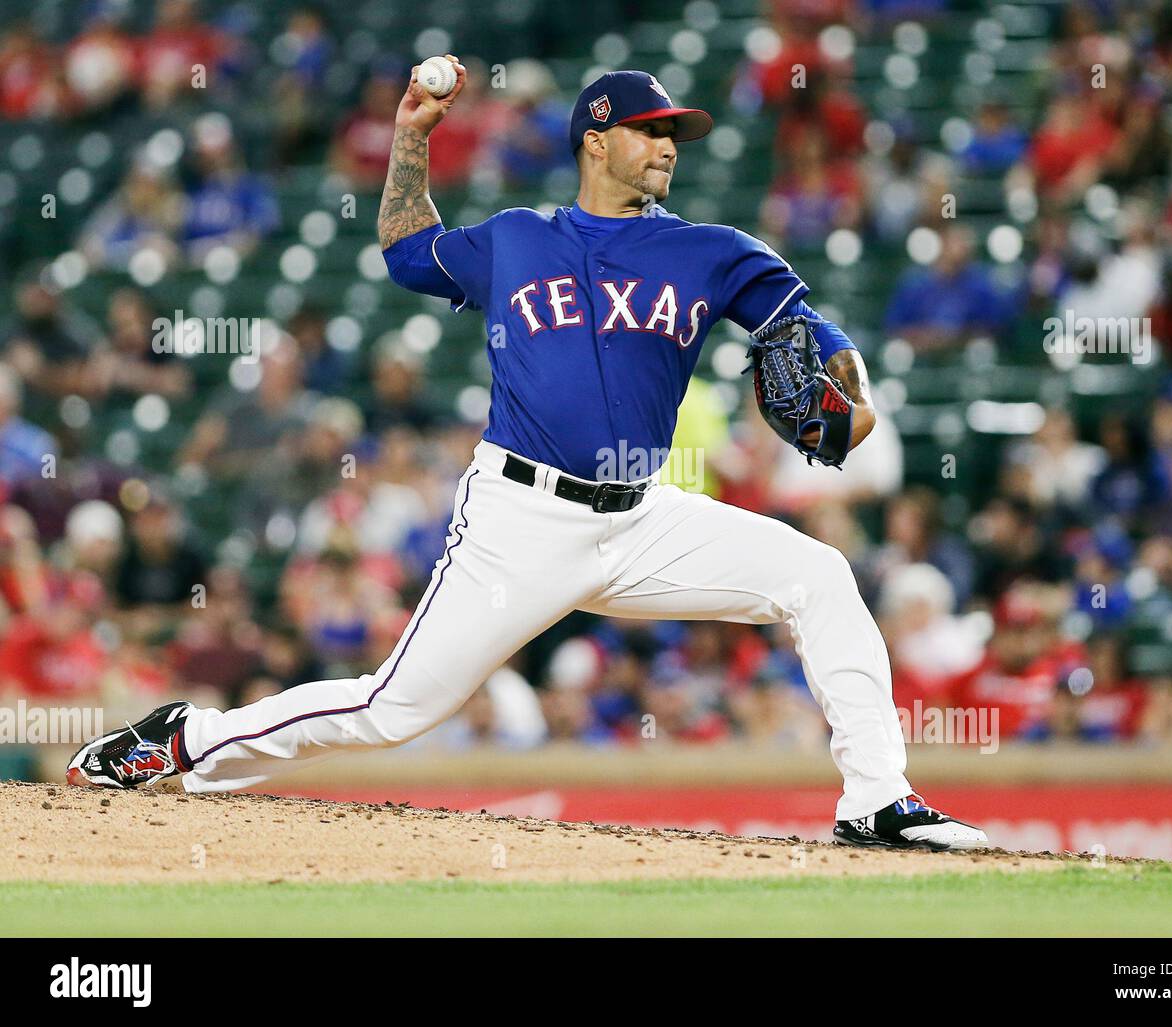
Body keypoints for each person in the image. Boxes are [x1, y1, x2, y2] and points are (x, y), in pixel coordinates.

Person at [67, 62, 987, 852]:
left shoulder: (713, 253)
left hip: (642, 516)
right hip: (520, 518)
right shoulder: (514, 238)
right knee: (393, 709)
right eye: (650, 129)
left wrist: (852, 404)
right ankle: (188, 740)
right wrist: (412, 139)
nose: (669, 145)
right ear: (597, 139)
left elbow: (818, 336)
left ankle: (875, 800)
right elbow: (404, 250)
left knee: (820, 574)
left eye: (676, 133)